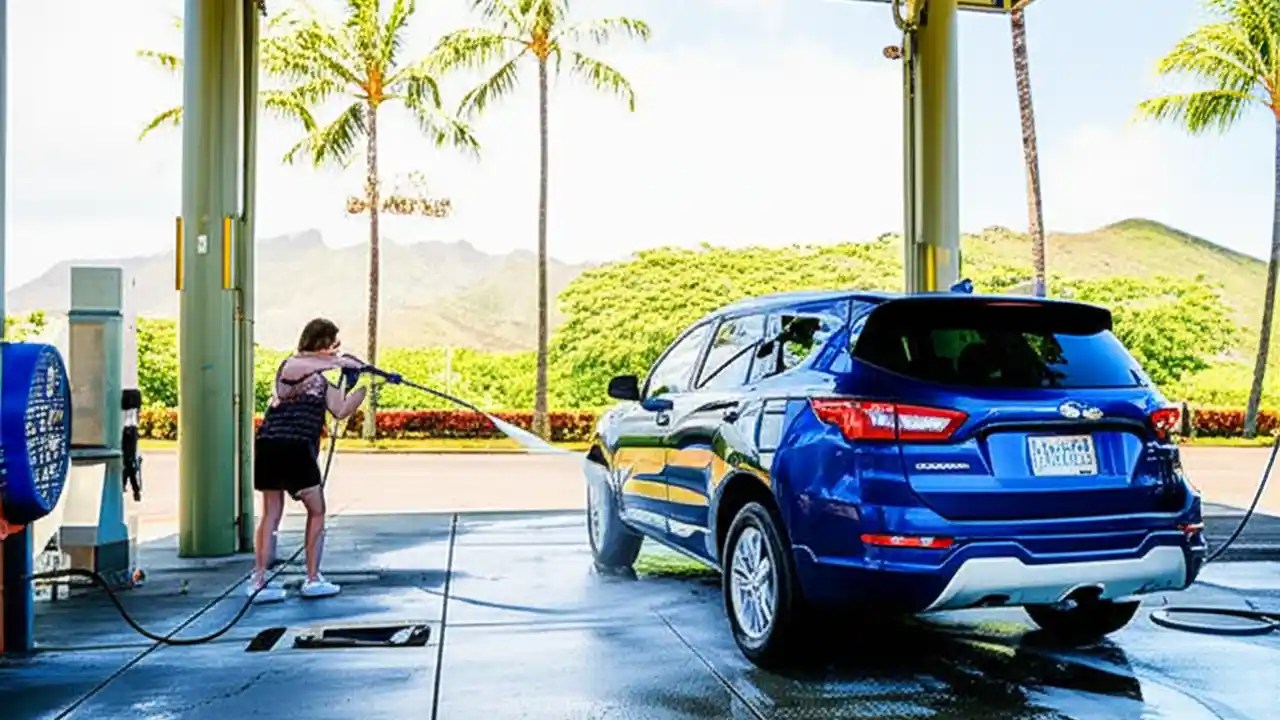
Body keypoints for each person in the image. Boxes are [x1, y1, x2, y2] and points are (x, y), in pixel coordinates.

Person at [247, 318, 368, 602]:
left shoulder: (325, 377)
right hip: (289, 446)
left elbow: (340, 410)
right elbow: (302, 371)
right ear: (321, 344)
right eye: (334, 345)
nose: (338, 350)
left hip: (275, 445)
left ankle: (263, 579)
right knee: (313, 510)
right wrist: (341, 364)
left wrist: (363, 388)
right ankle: (305, 578)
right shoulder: (292, 365)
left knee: (276, 512)